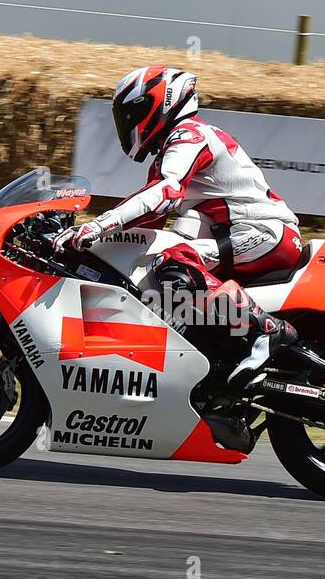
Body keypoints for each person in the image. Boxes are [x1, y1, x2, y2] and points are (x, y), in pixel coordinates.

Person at [53, 65, 303, 391]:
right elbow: (146, 224)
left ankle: (267, 331)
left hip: (266, 234)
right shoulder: (169, 152)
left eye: (133, 113)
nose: (126, 124)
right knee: (157, 254)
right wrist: (83, 243)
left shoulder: (190, 135)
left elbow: (165, 195)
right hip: (238, 235)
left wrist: (98, 226)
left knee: (173, 264)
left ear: (161, 102)